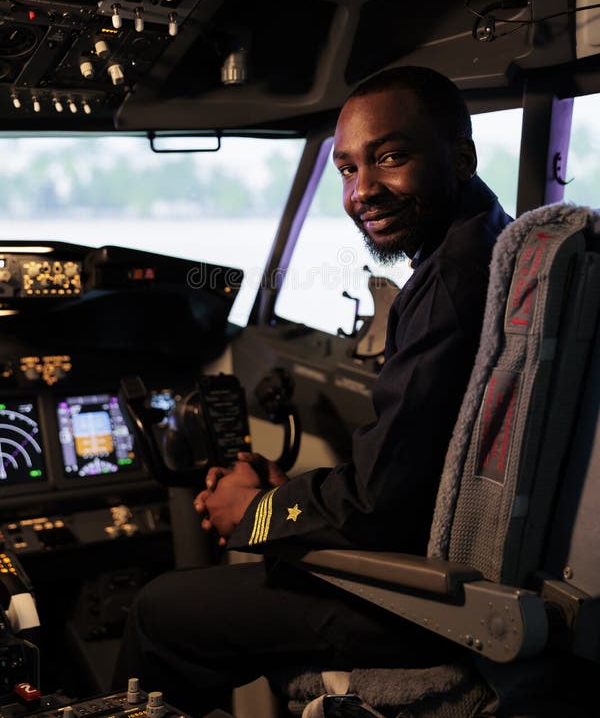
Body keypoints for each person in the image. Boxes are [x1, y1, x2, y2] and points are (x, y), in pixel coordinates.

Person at [114, 66, 512, 715]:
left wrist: (256, 510)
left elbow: (374, 505)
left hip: (431, 603)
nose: (364, 192)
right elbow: (403, 470)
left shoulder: (449, 290)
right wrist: (280, 496)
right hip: (464, 570)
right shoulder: (489, 247)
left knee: (160, 610)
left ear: (461, 156)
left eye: (390, 157)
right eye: (349, 170)